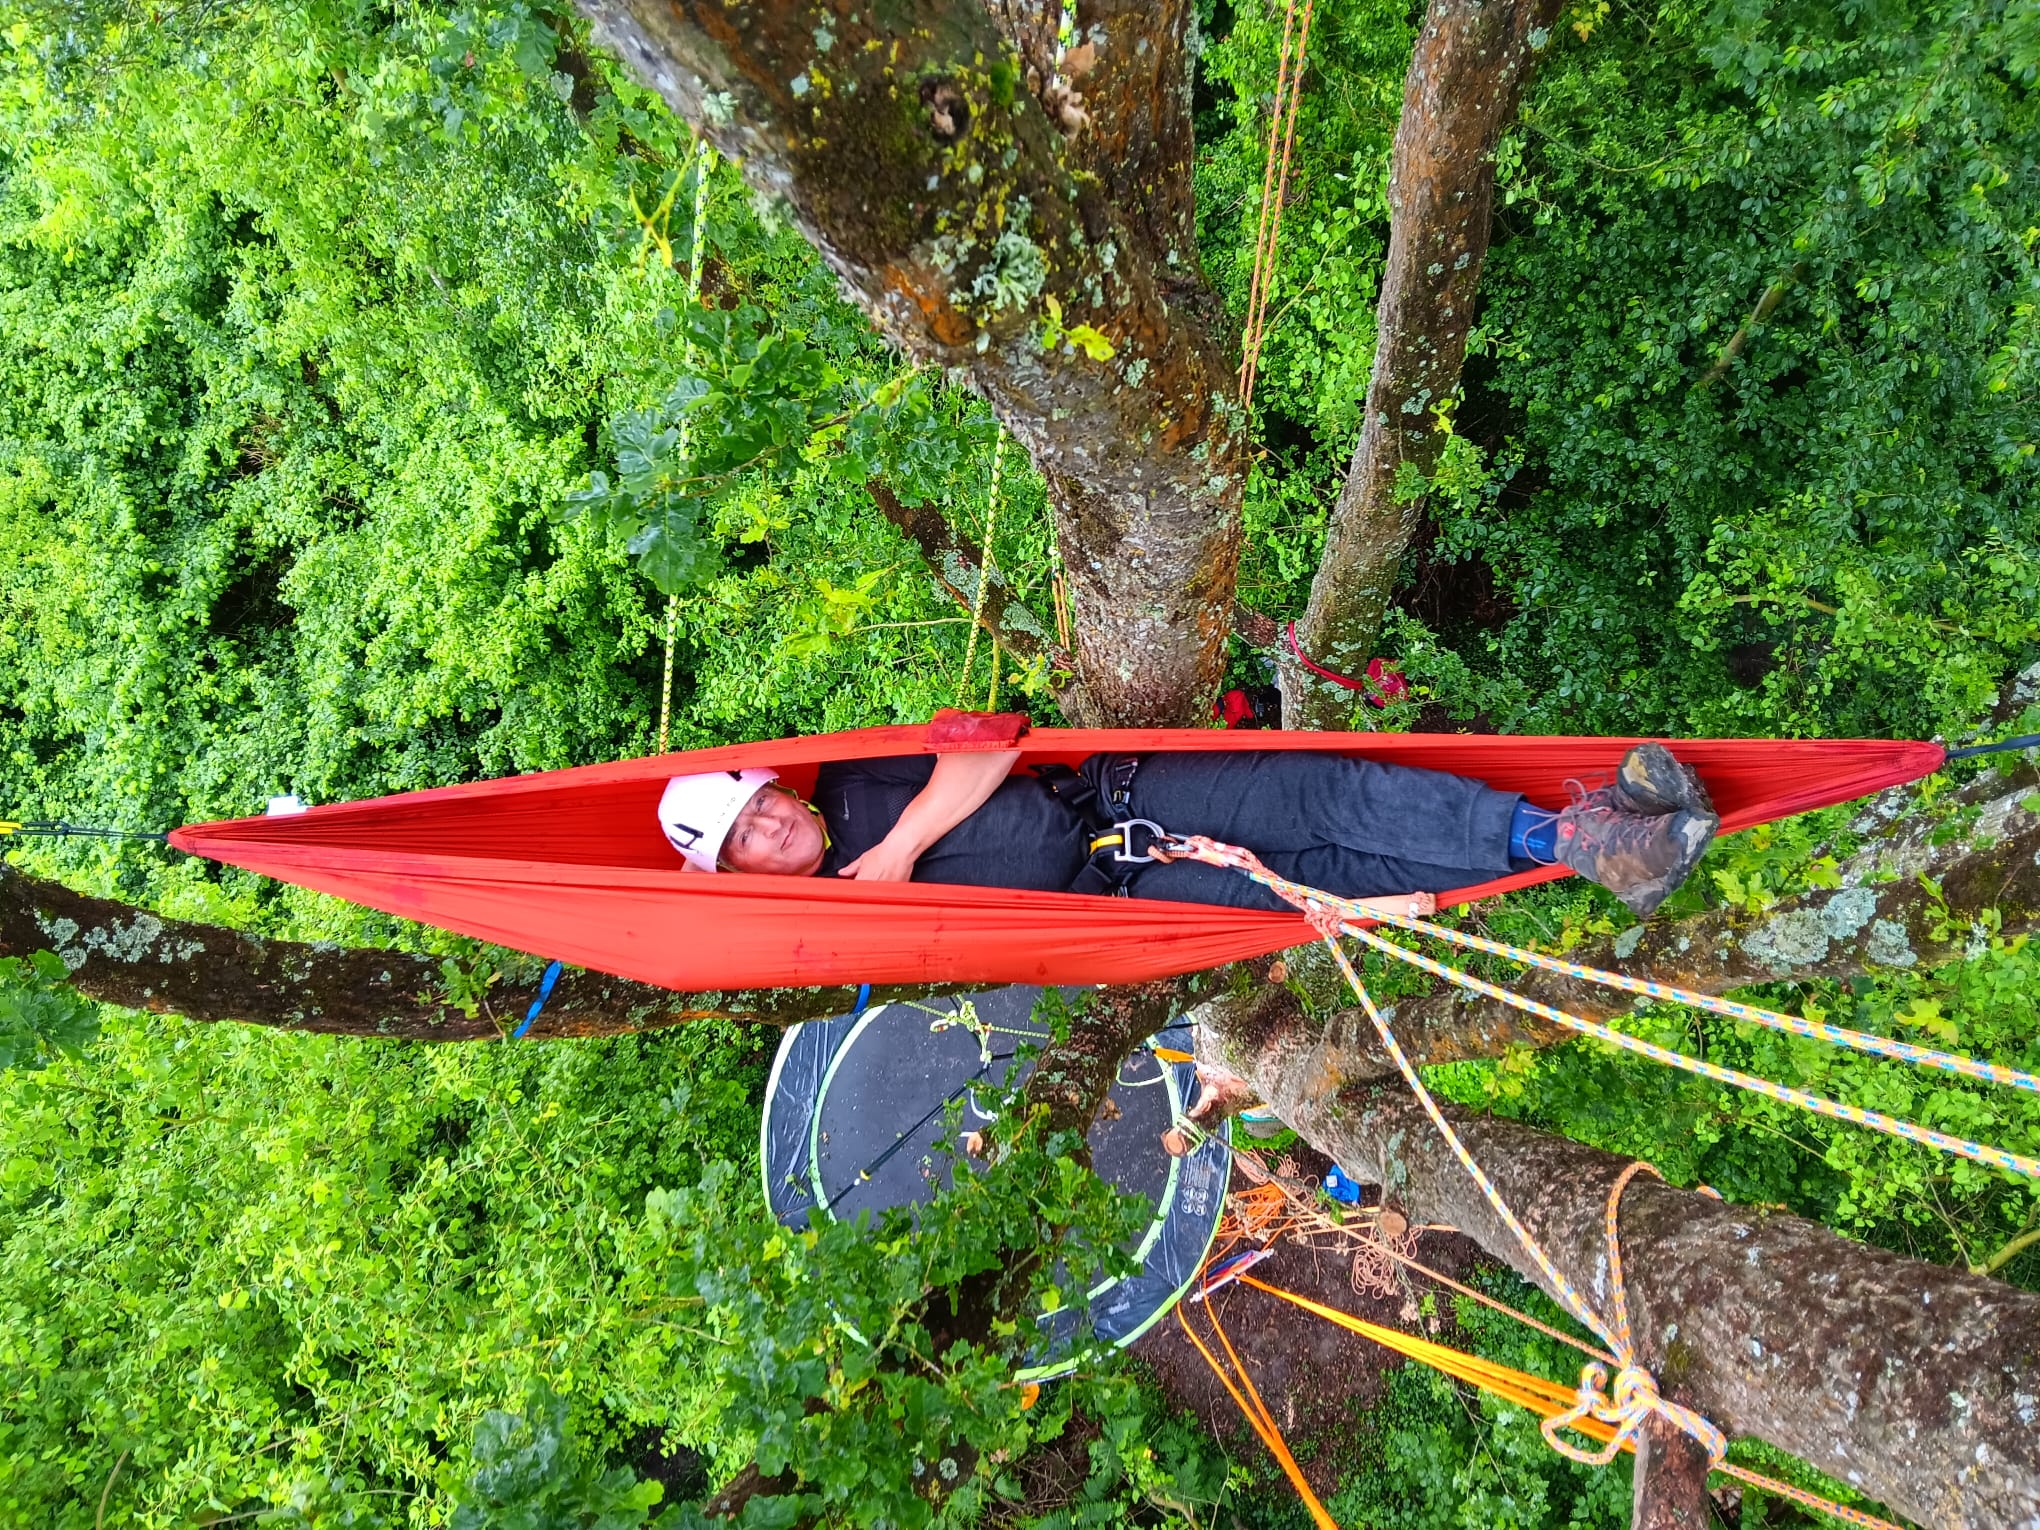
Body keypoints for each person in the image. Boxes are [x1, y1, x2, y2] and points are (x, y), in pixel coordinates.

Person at [656, 736, 1719, 917]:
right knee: (1335, 884)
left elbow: (988, 747)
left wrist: (898, 849)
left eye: (760, 803)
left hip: (1118, 799)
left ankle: (1572, 838)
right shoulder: (828, 935)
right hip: (1126, 897)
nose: (769, 826)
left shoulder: (852, 778)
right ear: (738, 870)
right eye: (744, 836)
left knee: (1329, 796)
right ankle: (1593, 849)